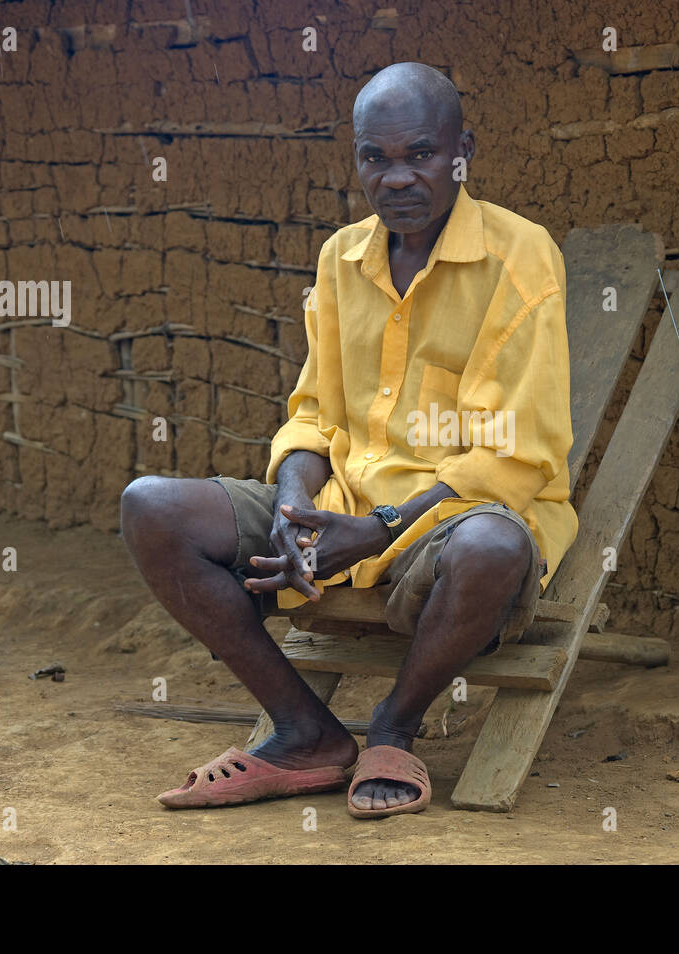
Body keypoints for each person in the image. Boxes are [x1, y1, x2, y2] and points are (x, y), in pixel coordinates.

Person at [120, 61, 576, 818]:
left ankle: (395, 726)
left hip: (455, 517)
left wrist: (379, 529)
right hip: (340, 510)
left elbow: (512, 451)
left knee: (493, 549)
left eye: (420, 154)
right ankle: (306, 732)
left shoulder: (519, 256)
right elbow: (314, 414)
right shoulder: (343, 258)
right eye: (375, 158)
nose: (397, 177)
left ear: (463, 151)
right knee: (151, 507)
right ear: (357, 158)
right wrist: (296, 507)